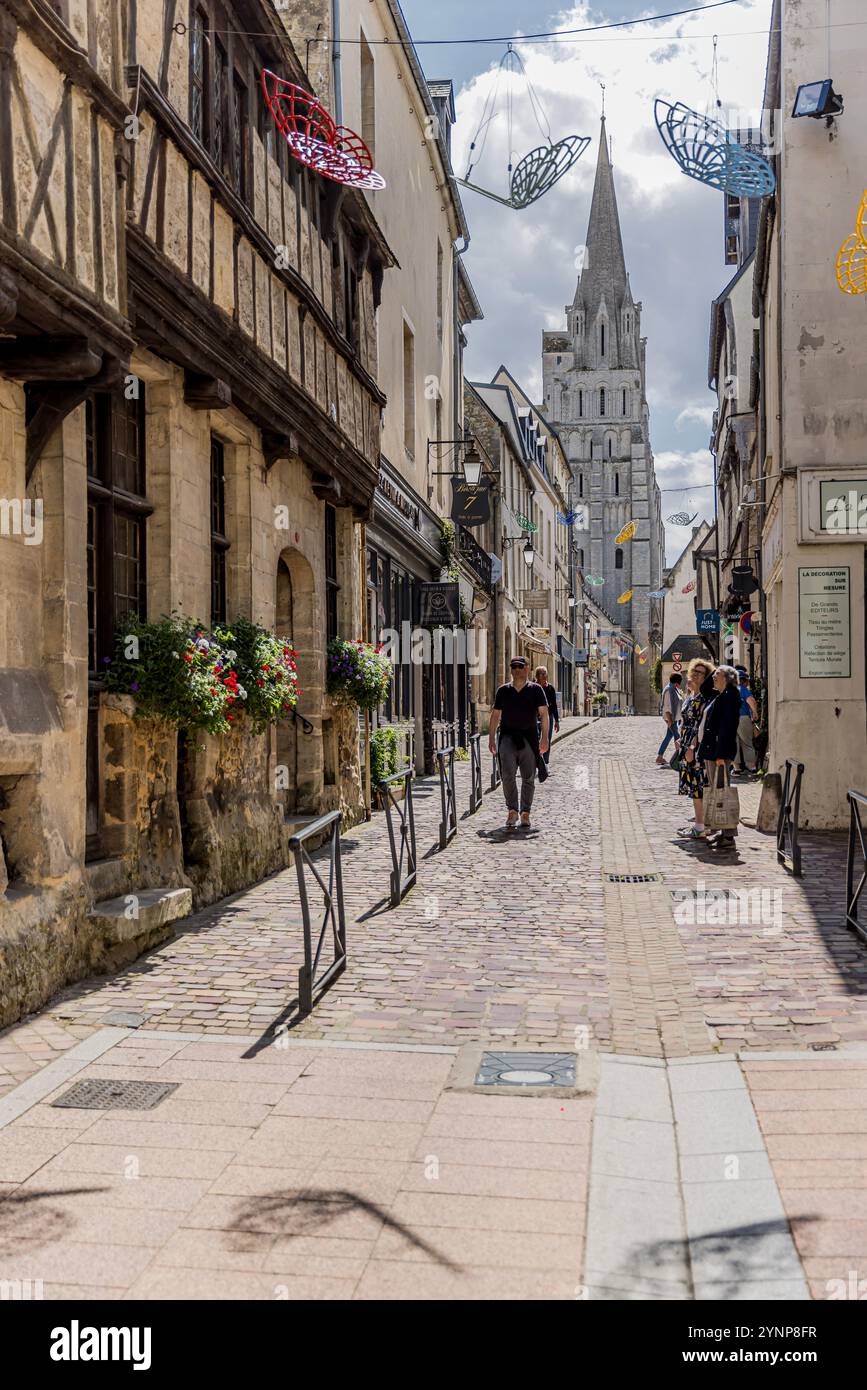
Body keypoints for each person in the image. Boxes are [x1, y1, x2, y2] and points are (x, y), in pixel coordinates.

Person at [489, 657, 549, 829]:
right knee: (507, 775)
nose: (516, 669)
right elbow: (495, 715)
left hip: (529, 739)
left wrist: (544, 738)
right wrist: (491, 737)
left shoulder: (536, 690)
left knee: (528, 777)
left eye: (520, 666)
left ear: (527, 669)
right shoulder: (503, 691)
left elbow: (544, 715)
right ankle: (512, 810)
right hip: (507, 738)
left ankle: (525, 813)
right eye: (513, 666)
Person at [697, 664, 742, 847]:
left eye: (718, 675)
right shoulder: (720, 694)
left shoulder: (730, 697)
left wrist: (721, 754)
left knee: (723, 793)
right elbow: (704, 688)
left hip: (719, 752)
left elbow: (727, 728)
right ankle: (722, 830)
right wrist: (718, 668)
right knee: (717, 792)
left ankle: (729, 835)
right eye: (714, 675)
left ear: (728, 679)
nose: (714, 677)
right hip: (712, 750)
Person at [676, 659, 712, 838]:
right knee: (694, 786)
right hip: (686, 745)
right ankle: (703, 823)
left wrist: (691, 746)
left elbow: (701, 725)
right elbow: (685, 721)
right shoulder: (691, 696)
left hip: (696, 748)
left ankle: (700, 826)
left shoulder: (705, 698)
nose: (695, 675)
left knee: (699, 786)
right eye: (694, 672)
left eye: (700, 673)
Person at [734, 668, 759, 776]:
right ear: (744, 680)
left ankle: (736, 768)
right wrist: (755, 713)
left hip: (730, 719)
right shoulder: (743, 689)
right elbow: (751, 701)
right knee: (747, 743)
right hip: (743, 717)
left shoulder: (730, 689)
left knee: (733, 743)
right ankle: (752, 766)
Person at [534, 666, 560, 765]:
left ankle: (545, 763)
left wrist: (557, 721)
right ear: (537, 676)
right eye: (542, 673)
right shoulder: (533, 687)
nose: (545, 676)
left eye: (545, 673)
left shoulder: (550, 688)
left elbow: (553, 705)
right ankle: (536, 761)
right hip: (535, 717)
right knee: (535, 739)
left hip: (548, 717)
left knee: (546, 739)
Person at [656, 671, 683, 765]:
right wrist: (670, 720)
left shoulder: (673, 689)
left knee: (668, 737)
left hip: (674, 719)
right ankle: (679, 758)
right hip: (671, 718)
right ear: (677, 682)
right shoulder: (669, 690)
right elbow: (667, 707)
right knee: (677, 738)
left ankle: (659, 757)